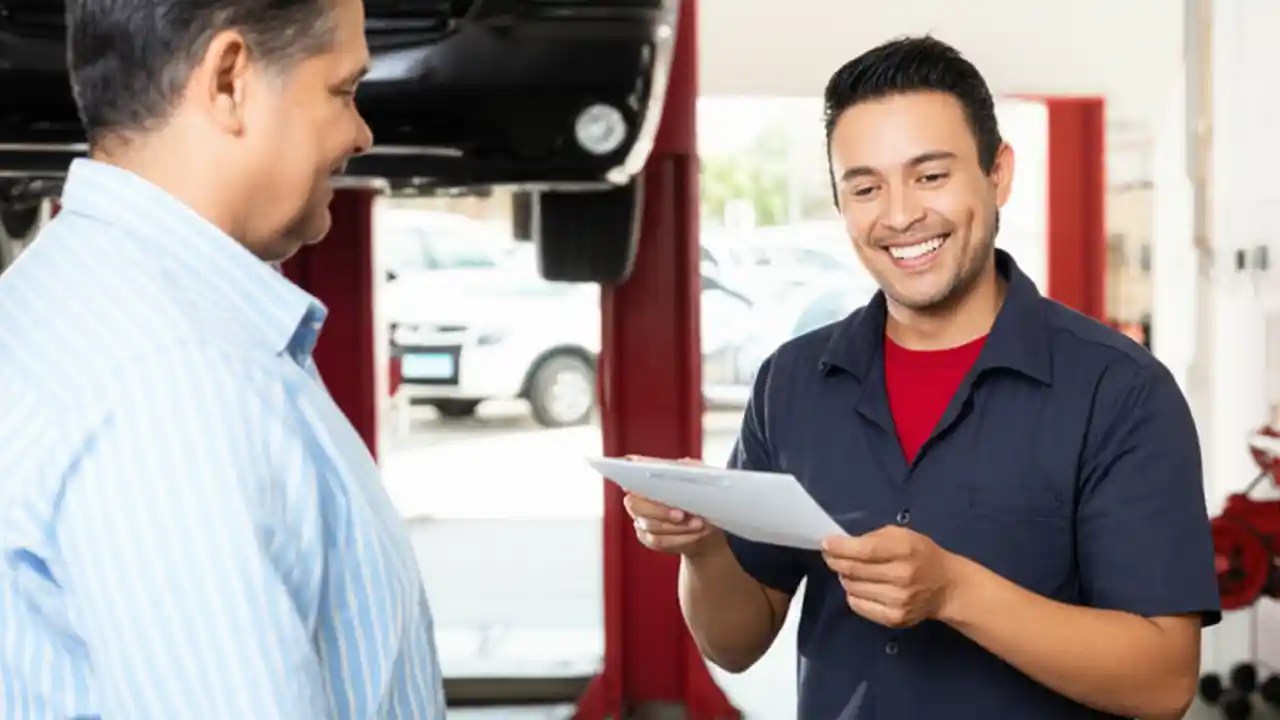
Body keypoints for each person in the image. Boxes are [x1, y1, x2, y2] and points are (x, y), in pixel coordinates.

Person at [625, 36, 1220, 720]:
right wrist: (704, 548)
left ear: (997, 174)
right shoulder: (792, 382)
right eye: (866, 187)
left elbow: (1162, 680)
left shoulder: (1119, 392)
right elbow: (735, 642)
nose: (901, 214)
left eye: (930, 176)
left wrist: (954, 593)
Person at [0, 1, 445, 718]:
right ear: (231, 78)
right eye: (343, 90)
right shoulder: (176, 383)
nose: (360, 134)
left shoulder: (59, 297)